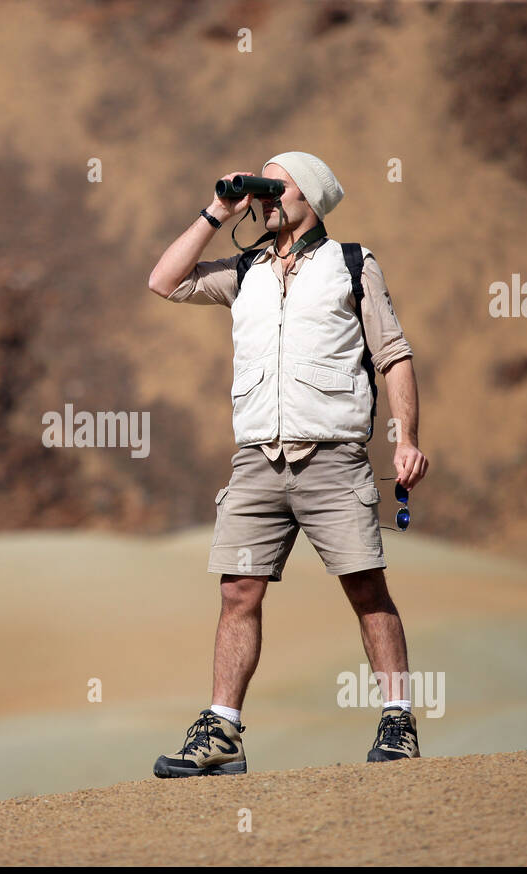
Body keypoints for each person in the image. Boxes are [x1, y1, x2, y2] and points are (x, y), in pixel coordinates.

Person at [146, 151, 429, 774]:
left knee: (365, 586)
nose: (266, 196)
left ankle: (399, 721)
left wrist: (405, 437)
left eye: (278, 186)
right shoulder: (244, 270)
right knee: (238, 592)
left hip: (332, 457)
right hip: (257, 461)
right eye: (262, 185)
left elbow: (394, 354)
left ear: (312, 198)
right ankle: (222, 734)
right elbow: (164, 280)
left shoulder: (351, 265)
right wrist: (218, 209)